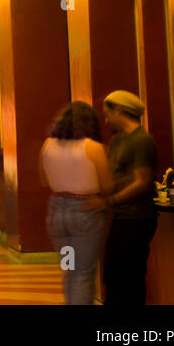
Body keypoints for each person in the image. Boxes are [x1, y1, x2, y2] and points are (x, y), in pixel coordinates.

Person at [40, 101, 112, 304]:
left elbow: (44, 179)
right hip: (85, 214)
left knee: (69, 270)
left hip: (57, 214)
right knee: (82, 274)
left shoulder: (48, 145)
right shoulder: (94, 148)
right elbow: (107, 186)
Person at [100, 89, 158, 305]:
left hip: (137, 218)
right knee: (112, 275)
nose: (106, 120)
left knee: (129, 277)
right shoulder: (117, 141)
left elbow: (142, 182)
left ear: (119, 110)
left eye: (108, 114)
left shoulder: (142, 141)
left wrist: (111, 200)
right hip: (120, 217)